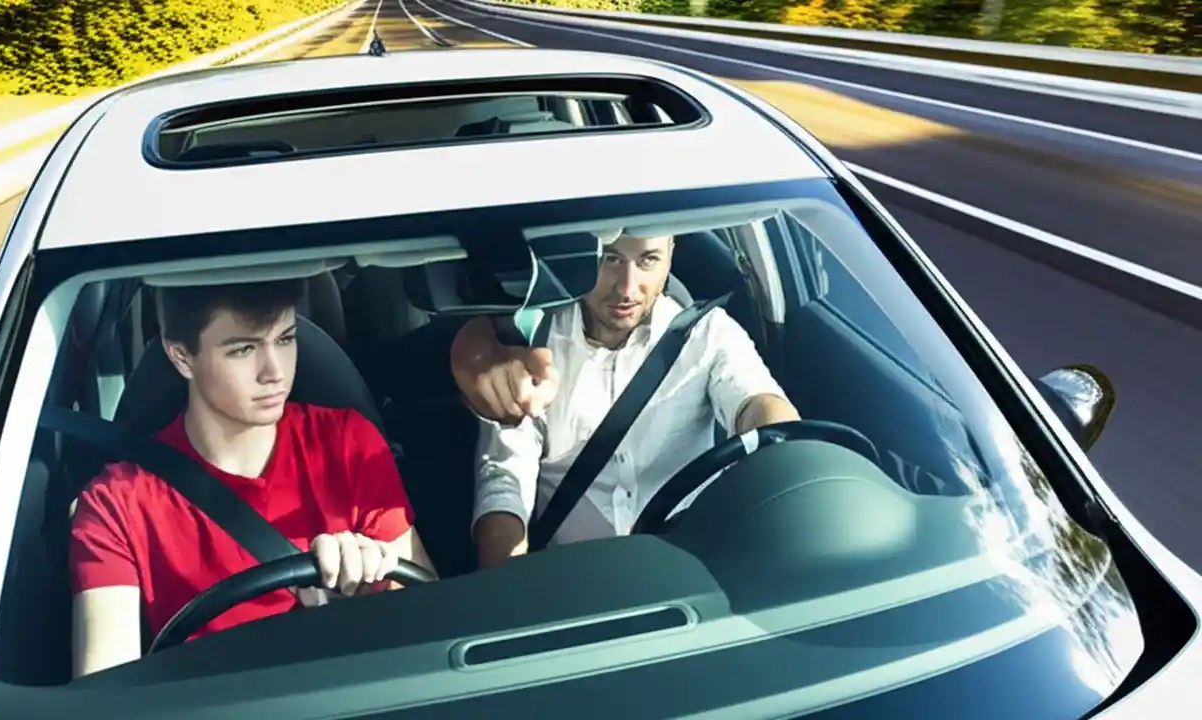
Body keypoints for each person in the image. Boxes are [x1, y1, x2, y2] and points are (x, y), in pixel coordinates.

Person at [69, 277, 435, 677]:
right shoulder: (115, 503)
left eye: (285, 339)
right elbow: (103, 688)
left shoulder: (350, 444)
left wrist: (371, 592)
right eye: (244, 349)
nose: (274, 372)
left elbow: (430, 612)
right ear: (181, 357)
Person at [453, 230, 801, 569]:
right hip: (572, 577)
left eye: (648, 260)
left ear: (670, 256)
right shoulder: (535, 346)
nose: (627, 288)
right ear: (582, 257)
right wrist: (506, 582)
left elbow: (757, 401)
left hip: (691, 570)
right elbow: (504, 480)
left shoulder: (708, 334)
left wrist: (784, 456)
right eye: (611, 259)